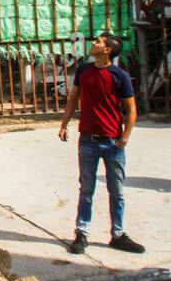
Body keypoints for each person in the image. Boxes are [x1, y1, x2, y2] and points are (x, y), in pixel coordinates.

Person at [58, 34, 145, 255]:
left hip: (112, 142)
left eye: (98, 41)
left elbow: (131, 110)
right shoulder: (84, 71)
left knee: (116, 190)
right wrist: (64, 124)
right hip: (87, 139)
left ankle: (118, 234)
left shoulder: (120, 76)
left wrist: (125, 137)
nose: (93, 43)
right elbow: (73, 98)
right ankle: (82, 232)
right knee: (86, 189)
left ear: (107, 50)